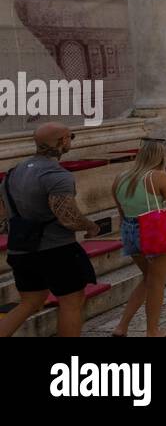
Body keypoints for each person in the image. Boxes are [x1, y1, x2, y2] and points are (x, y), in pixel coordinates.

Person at [0, 123, 101, 337]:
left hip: (21, 248)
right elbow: (67, 216)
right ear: (63, 141)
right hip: (56, 249)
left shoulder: (13, 173)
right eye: (70, 136)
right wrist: (90, 226)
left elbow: (3, 210)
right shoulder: (57, 175)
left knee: (29, 302)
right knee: (71, 303)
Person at [110, 138, 166, 337]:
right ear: (160, 156)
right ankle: (153, 331)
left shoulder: (120, 177)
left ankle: (122, 326)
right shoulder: (159, 176)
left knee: (148, 278)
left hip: (129, 230)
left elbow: (121, 211)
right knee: (157, 281)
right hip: (153, 231)